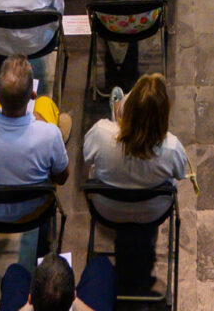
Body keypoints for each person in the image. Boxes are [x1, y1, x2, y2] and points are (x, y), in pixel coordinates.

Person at [81, 74, 189, 293]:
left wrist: (116, 120)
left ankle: (116, 108)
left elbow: (86, 156)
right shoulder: (172, 148)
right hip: (151, 213)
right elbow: (179, 174)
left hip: (107, 210)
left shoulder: (101, 133)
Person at [0, 55, 69, 224]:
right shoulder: (49, 134)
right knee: (47, 105)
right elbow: (62, 178)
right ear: (32, 94)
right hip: (34, 209)